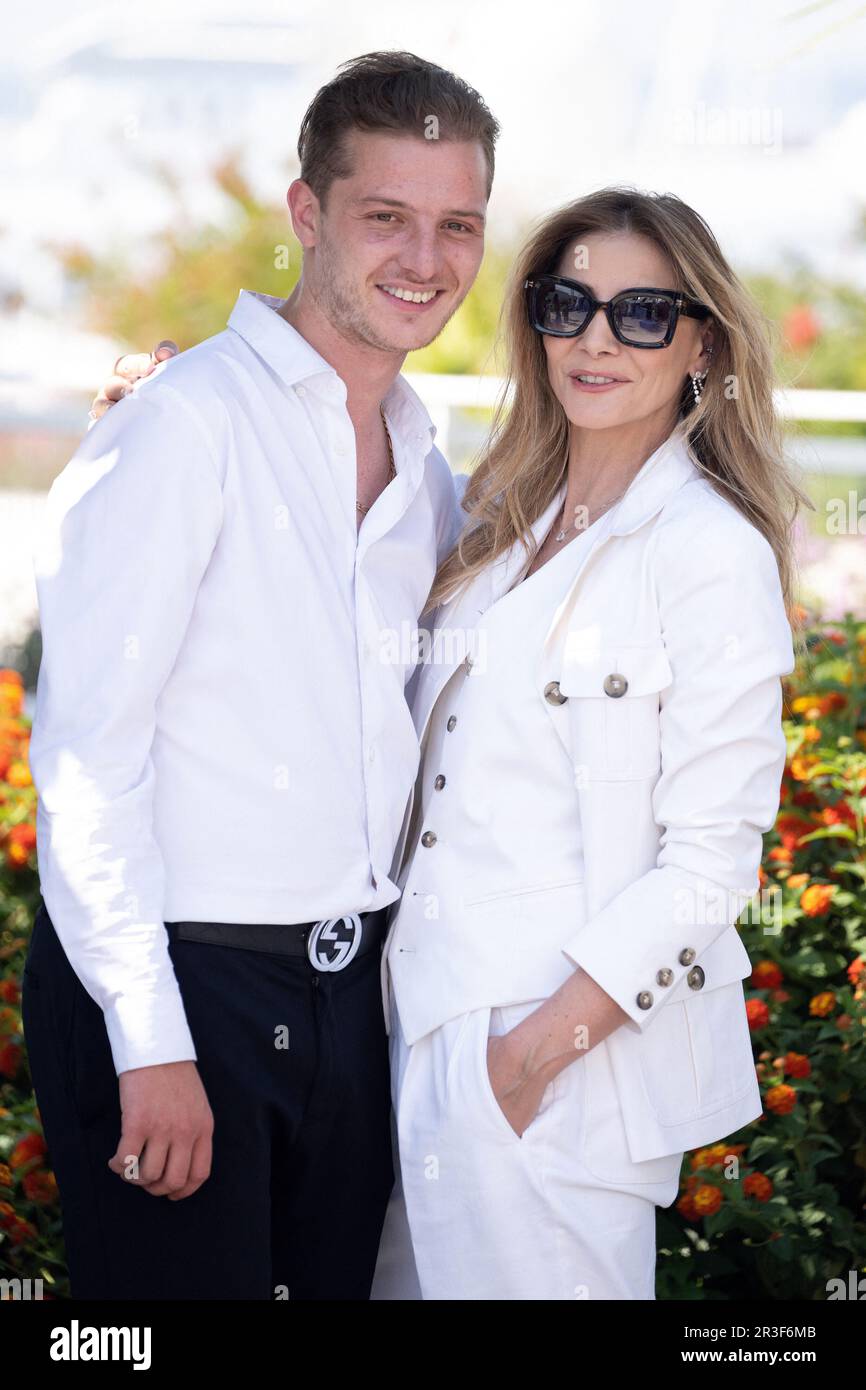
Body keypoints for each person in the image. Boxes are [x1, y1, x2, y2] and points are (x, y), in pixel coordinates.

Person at [23, 50, 497, 1301]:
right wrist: (149, 1039)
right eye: (383, 216)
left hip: (350, 992)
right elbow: (84, 753)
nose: (423, 258)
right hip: (181, 983)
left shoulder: (426, 469)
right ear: (306, 215)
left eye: (456, 224)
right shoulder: (183, 425)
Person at [378, 188, 810, 1299]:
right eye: (565, 303)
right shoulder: (487, 520)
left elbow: (708, 867)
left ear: (701, 340)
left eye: (641, 313)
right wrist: (172, 392)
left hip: (556, 1076)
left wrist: (519, 1069)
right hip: (405, 1036)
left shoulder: (707, 550)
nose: (594, 337)